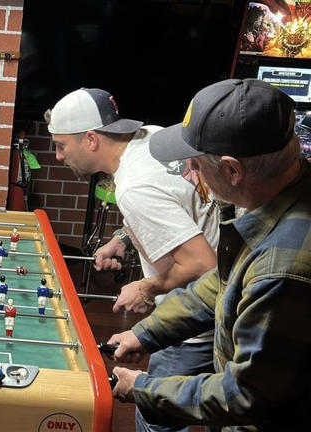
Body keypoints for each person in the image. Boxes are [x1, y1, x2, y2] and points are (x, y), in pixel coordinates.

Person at [109, 78, 311, 431]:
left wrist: (144, 388)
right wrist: (147, 333)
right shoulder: (274, 194)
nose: (190, 173)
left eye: (196, 164)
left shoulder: (282, 267)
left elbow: (245, 394)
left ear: (233, 170)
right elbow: (221, 282)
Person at [47, 87, 219, 432]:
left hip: (195, 324)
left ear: (92, 140)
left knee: (156, 421)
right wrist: (123, 238)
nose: (58, 157)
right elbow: (175, 207)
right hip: (220, 308)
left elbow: (202, 262)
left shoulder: (133, 186)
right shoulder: (152, 139)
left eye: (62, 145)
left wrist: (147, 287)